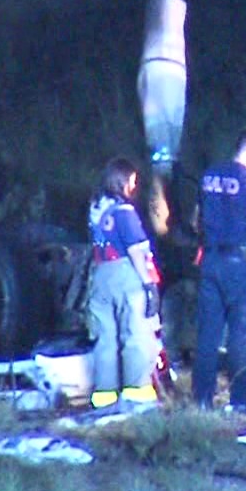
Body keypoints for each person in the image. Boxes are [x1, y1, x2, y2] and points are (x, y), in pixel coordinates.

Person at [193, 127, 246, 413]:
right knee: (242, 333)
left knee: (207, 333)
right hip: (240, 263)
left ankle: (201, 401)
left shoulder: (209, 175)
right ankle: (241, 400)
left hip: (210, 261)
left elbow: (197, 218)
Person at [85, 157, 162, 416]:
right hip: (126, 276)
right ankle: (136, 397)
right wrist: (149, 285)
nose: (134, 185)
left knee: (105, 340)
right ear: (124, 181)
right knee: (136, 336)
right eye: (132, 181)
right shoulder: (124, 213)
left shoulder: (96, 210)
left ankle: (105, 400)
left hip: (100, 276)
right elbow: (136, 252)